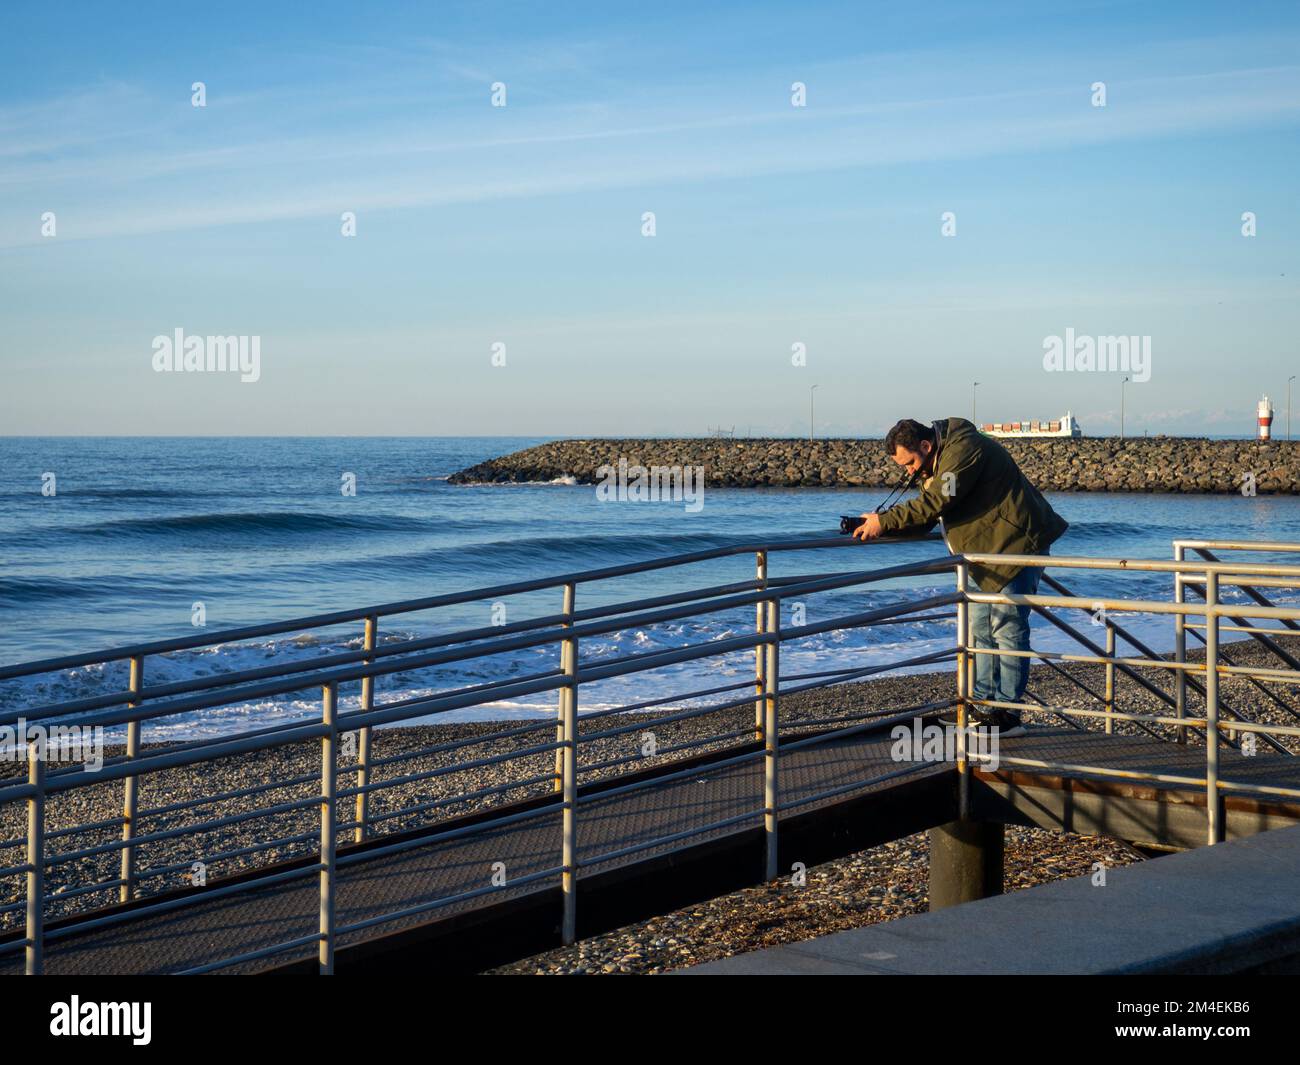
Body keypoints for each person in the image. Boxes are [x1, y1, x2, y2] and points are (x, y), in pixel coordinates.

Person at [853, 417, 1068, 735]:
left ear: (926, 446)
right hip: (982, 553)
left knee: (1007, 630)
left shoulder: (965, 448)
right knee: (980, 630)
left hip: (1016, 545)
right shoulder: (937, 461)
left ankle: (1007, 716)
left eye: (910, 463)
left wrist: (884, 523)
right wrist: (880, 523)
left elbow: (936, 501)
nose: (909, 472)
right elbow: (929, 514)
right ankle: (983, 708)